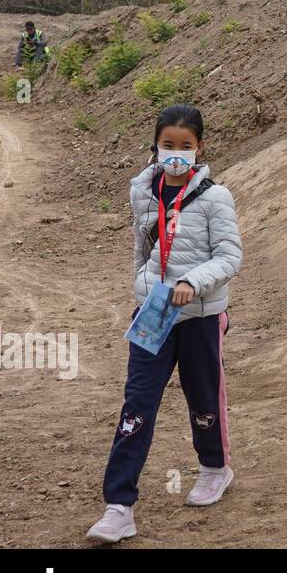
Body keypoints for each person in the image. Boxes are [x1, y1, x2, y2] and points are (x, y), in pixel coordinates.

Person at [87, 104, 243, 544]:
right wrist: (142, 286)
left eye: (186, 146)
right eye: (168, 145)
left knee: (203, 399)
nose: (176, 154)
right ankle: (119, 507)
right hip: (154, 312)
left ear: (200, 148)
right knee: (136, 405)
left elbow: (231, 256)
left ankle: (215, 469)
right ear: (155, 146)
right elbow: (142, 246)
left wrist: (193, 282)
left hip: (199, 316)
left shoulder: (216, 197)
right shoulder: (143, 190)